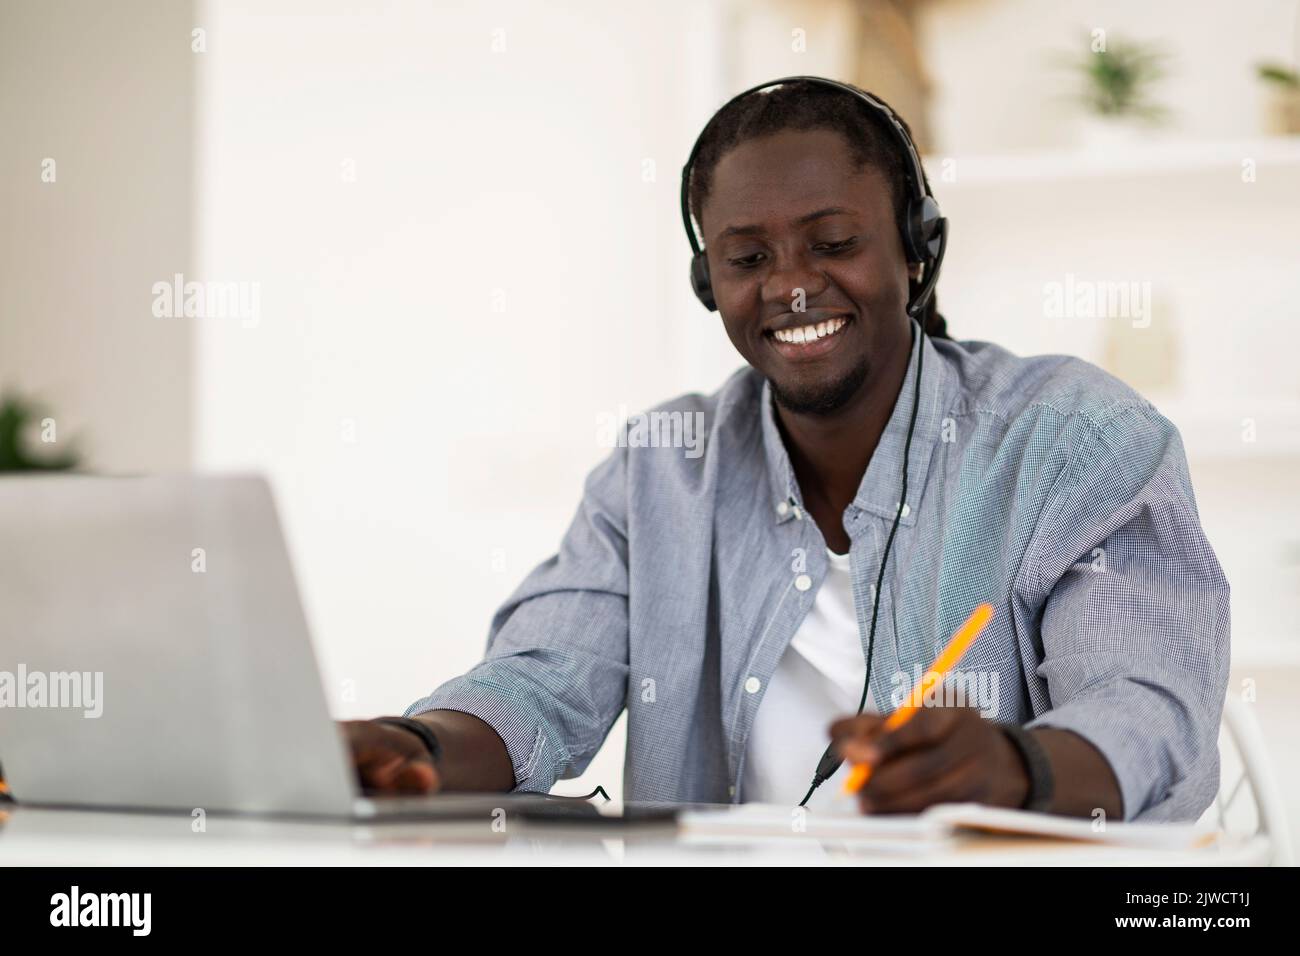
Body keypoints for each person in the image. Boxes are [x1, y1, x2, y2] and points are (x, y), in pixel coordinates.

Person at [344, 77, 1229, 821]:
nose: (792, 286)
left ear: (919, 251)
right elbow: (540, 685)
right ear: (708, 284)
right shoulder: (661, 467)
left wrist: (1015, 771)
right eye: (746, 257)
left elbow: (1147, 704)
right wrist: (416, 746)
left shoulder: (1073, 438)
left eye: (834, 243)